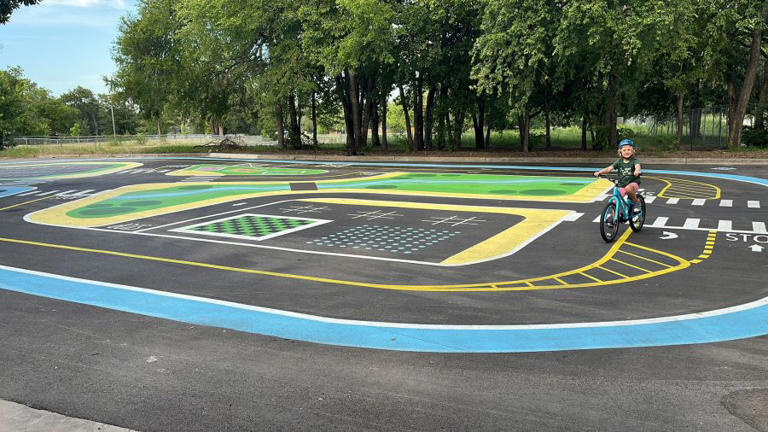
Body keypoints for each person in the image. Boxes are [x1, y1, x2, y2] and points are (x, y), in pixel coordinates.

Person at [593, 139, 642, 212]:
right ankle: (614, 219)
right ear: (620, 152)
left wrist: (637, 171)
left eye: (629, 150)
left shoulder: (634, 161)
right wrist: (600, 172)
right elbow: (609, 169)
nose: (626, 152)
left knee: (628, 189)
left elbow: (637, 166)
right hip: (622, 184)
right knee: (614, 201)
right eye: (624, 150)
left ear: (632, 151)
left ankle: (636, 202)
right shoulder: (619, 162)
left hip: (633, 183)